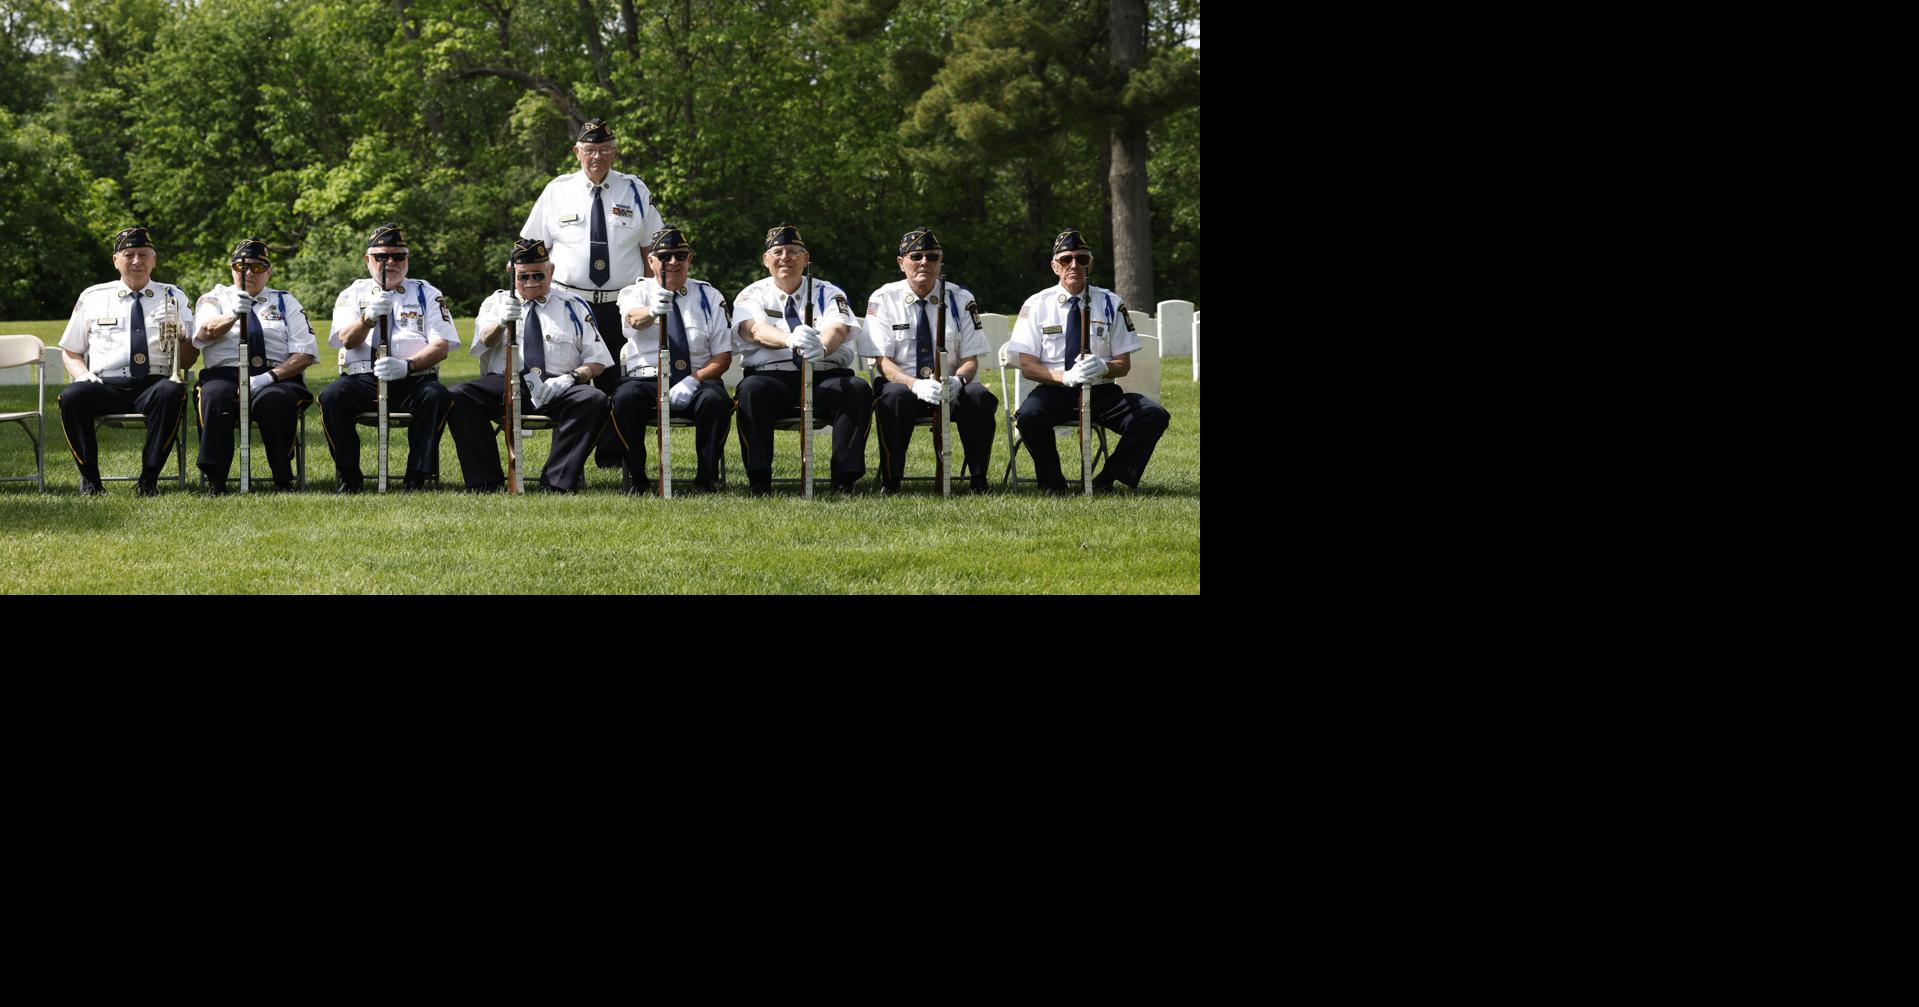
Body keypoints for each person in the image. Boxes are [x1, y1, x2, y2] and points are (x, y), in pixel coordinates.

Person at [519, 117, 665, 470]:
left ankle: (613, 456)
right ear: (576, 153)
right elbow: (529, 246)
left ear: (614, 152)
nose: (596, 157)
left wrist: (650, 292)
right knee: (567, 378)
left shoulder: (634, 190)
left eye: (604, 150)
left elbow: (653, 250)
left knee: (620, 381)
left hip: (621, 303)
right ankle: (569, 459)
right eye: (589, 150)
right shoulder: (557, 191)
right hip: (569, 302)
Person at [1006, 228, 1170, 494]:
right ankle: (1052, 484)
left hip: (1101, 392)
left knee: (1153, 415)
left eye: (1081, 259)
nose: (1074, 265)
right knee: (1029, 415)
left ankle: (1108, 480)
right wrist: (1064, 376)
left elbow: (1123, 363)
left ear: (1090, 264)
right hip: (1054, 391)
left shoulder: (1109, 302)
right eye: (1066, 259)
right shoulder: (1037, 304)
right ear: (1054, 266)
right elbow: (1027, 365)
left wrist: (1105, 367)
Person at [446, 238, 610, 493]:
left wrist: (572, 377)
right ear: (511, 273)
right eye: (524, 276)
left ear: (551, 271)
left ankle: (556, 482)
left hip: (558, 384)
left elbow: (598, 360)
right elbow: (482, 343)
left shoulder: (573, 306)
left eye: (538, 275)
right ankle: (485, 481)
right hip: (505, 382)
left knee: (594, 399)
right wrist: (501, 323)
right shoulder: (495, 303)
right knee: (459, 395)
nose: (532, 282)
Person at [56, 225, 197, 496]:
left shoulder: (173, 296)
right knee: (71, 396)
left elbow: (187, 360)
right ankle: (91, 482)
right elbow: (71, 350)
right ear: (116, 260)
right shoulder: (93, 296)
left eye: (143, 254)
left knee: (172, 391)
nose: (136, 261)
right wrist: (83, 375)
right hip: (104, 384)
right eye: (129, 254)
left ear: (154, 259)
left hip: (154, 383)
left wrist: (186, 339)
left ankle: (148, 480)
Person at [730, 224, 870, 496]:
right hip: (773, 377)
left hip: (824, 374)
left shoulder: (828, 292)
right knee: (750, 391)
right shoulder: (751, 294)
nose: (786, 257)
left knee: (857, 389)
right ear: (766, 260)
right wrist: (789, 339)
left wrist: (822, 347)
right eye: (778, 251)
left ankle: (844, 479)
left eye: (794, 251)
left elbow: (838, 328)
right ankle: (759, 480)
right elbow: (754, 330)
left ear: (806, 259)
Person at [318, 223, 459, 492]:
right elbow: (347, 340)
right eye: (382, 256)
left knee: (436, 396)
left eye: (398, 256)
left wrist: (408, 366)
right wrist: (367, 318)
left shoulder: (426, 293)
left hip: (413, 378)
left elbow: (441, 345)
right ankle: (349, 476)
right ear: (368, 259)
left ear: (407, 259)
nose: (390, 262)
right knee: (331, 396)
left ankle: (416, 476)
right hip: (363, 378)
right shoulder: (352, 294)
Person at [861, 227, 998, 493]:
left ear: (941, 261)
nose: (925, 262)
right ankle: (892, 480)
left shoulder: (960, 299)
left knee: (979, 396)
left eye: (932, 256)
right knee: (894, 398)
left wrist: (958, 381)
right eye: (917, 256)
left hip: (951, 385)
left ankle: (979, 480)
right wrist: (915, 385)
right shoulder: (884, 299)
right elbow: (884, 363)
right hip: (903, 385)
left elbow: (970, 358)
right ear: (902, 263)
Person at [610, 226, 733, 493]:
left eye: (680, 255)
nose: (673, 262)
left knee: (717, 401)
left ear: (690, 259)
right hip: (647, 379)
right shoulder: (634, 292)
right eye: (665, 256)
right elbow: (634, 319)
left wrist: (694, 380)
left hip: (697, 379)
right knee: (624, 399)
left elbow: (723, 356)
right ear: (651, 261)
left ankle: (706, 479)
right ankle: (637, 479)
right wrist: (654, 311)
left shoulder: (709, 296)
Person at [189, 238, 317, 493]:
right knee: (214, 396)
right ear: (231, 269)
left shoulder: (285, 301)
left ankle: (282, 477)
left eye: (258, 268)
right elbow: (206, 330)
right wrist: (233, 315)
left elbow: (305, 352)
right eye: (241, 267)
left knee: (276, 401)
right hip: (224, 374)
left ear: (269, 271)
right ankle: (216, 480)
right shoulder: (214, 299)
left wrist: (269, 377)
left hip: (274, 375)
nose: (248, 273)